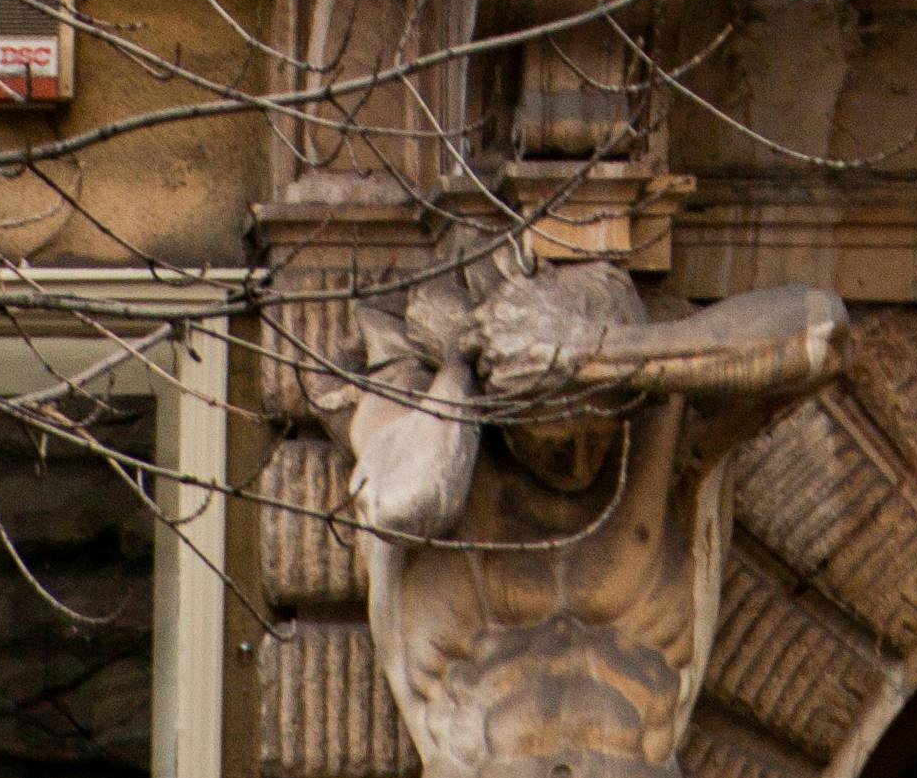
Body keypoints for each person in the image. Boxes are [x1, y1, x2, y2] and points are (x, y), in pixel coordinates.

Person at [348, 255, 849, 778]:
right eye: (554, 442)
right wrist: (461, 367)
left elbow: (824, 331)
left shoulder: (663, 430)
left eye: (599, 435)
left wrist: (589, 352)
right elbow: (407, 506)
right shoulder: (419, 417)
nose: (581, 462)